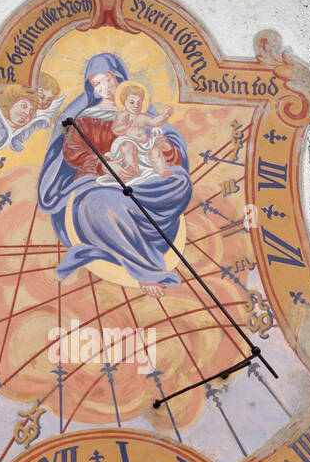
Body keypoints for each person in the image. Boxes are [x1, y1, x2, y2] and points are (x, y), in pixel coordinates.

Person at [37, 53, 193, 297]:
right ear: (91, 87)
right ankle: (146, 270)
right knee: (102, 206)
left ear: (121, 80)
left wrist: (165, 148)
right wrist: (105, 168)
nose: (105, 88)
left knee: (180, 180)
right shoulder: (85, 120)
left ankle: (134, 237)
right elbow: (73, 157)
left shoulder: (140, 114)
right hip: (100, 186)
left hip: (143, 181)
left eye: (109, 80)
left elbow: (170, 151)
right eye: (97, 83)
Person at [105, 80, 175, 182]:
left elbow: (154, 122)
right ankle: (133, 168)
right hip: (129, 142)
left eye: (139, 102)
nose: (136, 105)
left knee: (155, 151)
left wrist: (165, 115)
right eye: (132, 102)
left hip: (144, 145)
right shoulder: (122, 115)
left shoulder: (142, 117)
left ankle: (162, 170)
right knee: (127, 147)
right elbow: (116, 129)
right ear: (124, 102)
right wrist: (125, 126)